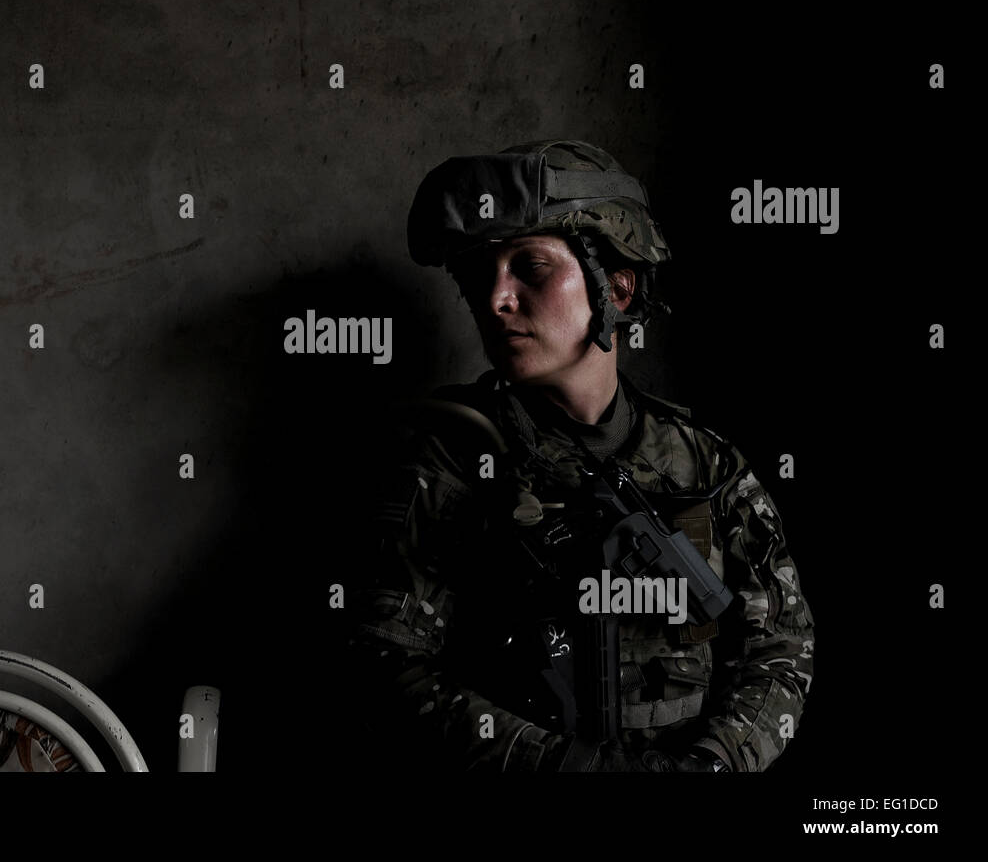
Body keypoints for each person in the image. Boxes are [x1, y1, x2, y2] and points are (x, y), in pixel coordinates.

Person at [348, 140, 814, 772]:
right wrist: (569, 768)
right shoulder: (455, 459)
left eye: (531, 269)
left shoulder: (705, 465)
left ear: (616, 289)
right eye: (481, 275)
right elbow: (384, 669)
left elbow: (780, 646)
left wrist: (714, 763)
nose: (496, 300)